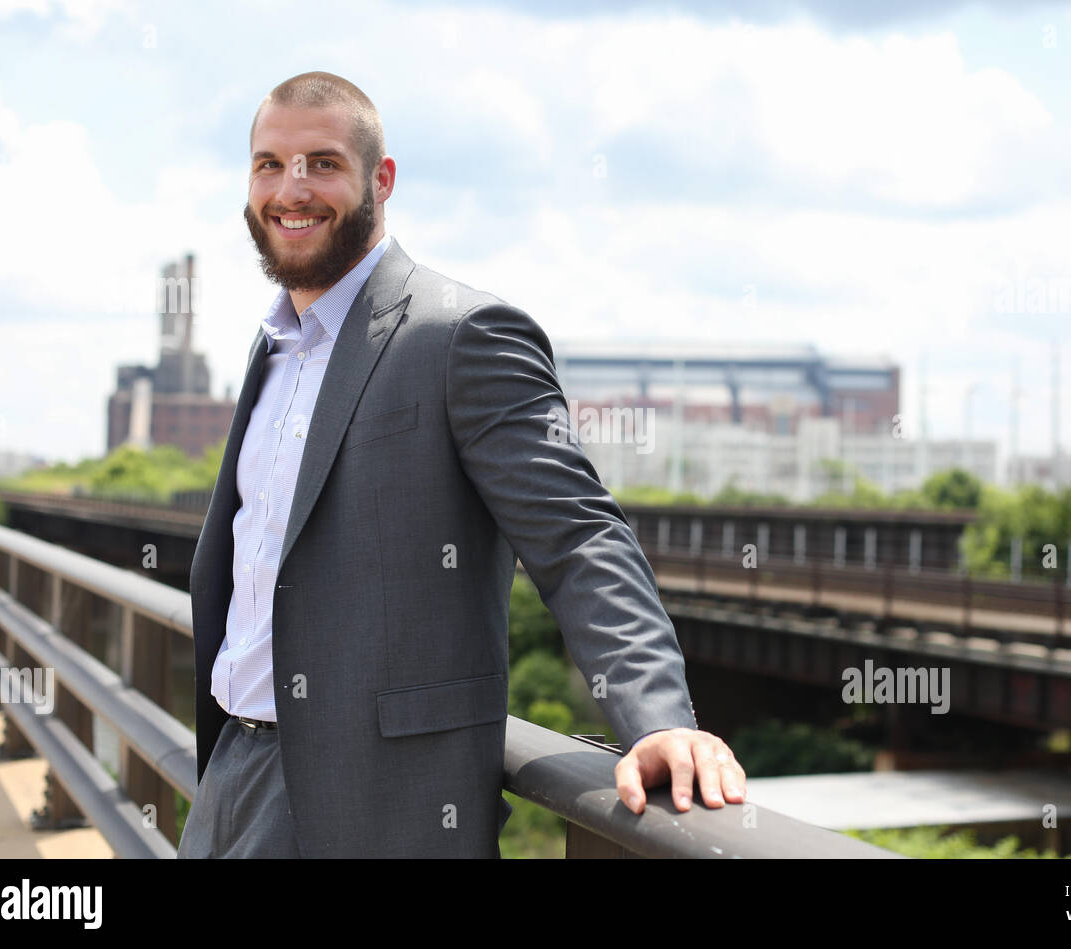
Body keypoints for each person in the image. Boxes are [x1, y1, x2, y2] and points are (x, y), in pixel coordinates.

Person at [179, 71, 746, 858]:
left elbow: (579, 538)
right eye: (268, 164)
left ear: (382, 180)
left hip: (376, 804)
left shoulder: (462, 336)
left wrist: (661, 721)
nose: (291, 188)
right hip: (229, 778)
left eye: (322, 163)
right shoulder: (270, 352)